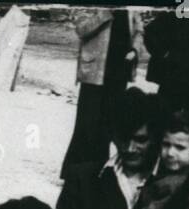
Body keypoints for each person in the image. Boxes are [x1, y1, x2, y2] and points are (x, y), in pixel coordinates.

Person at [59, 8, 144, 174]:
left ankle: (99, 170)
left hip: (119, 71)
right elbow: (81, 29)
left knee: (108, 124)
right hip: (95, 72)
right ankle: (74, 173)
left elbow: (139, 30)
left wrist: (135, 49)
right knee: (87, 123)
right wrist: (106, 13)